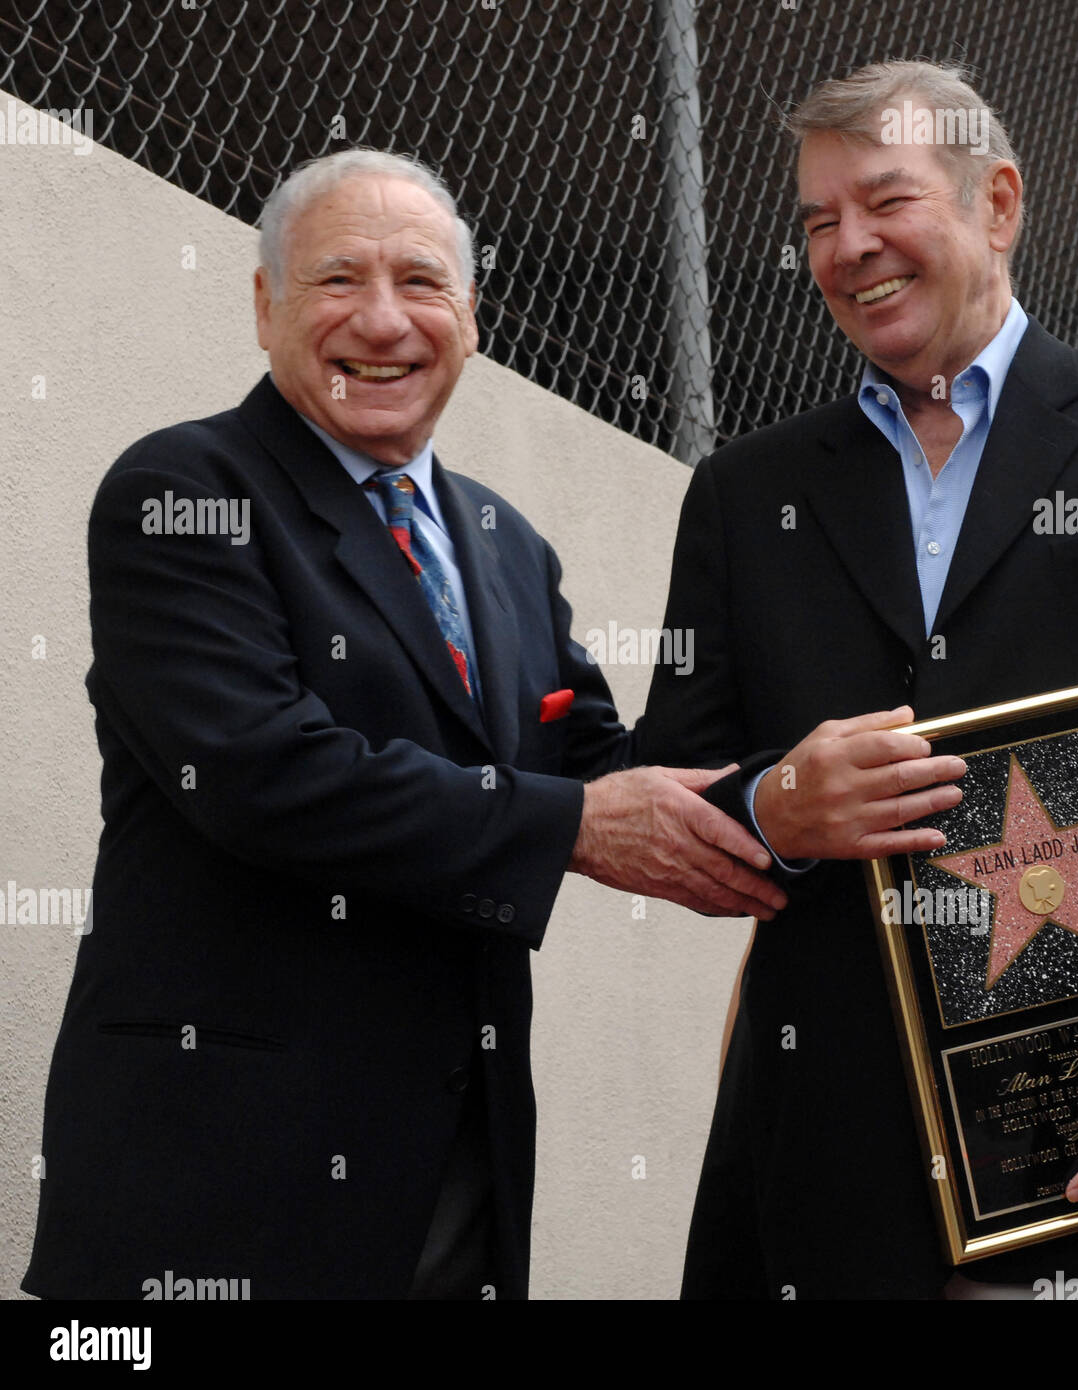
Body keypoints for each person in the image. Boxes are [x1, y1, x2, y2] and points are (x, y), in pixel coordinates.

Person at [22, 149, 957, 1301]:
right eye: (334, 282)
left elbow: (611, 770)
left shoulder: (504, 543)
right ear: (265, 306)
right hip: (224, 1182)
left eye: (420, 283)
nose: (382, 319)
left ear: (470, 318)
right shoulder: (183, 490)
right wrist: (572, 823)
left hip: (454, 1170)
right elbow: (258, 771)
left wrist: (783, 802)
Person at [639, 60, 1078, 1299]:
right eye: (817, 221)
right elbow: (657, 788)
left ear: (996, 203)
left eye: (883, 202)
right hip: (831, 1182)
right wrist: (775, 806)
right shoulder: (744, 492)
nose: (847, 246)